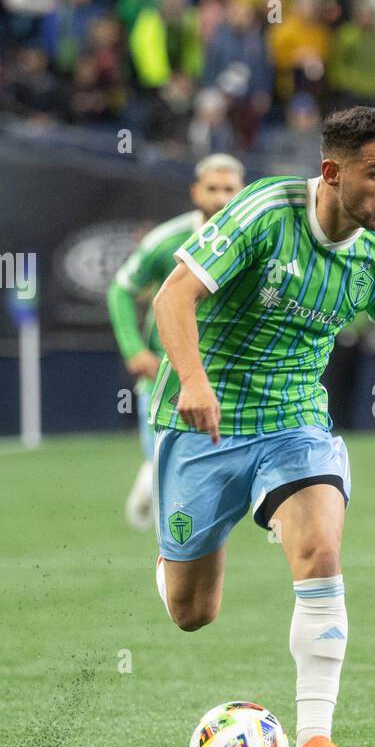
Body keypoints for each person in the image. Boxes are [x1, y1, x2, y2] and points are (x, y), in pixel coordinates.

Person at [149, 107, 375, 747]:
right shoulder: (264, 211)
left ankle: (312, 744)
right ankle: (171, 551)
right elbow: (172, 297)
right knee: (192, 612)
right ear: (332, 172)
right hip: (203, 423)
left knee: (321, 549)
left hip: (296, 423)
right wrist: (193, 379)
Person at [107, 153, 245, 531]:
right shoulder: (167, 240)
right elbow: (121, 289)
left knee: (210, 476)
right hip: (167, 374)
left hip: (229, 375)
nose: (220, 198)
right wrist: (134, 348)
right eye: (212, 188)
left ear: (243, 192)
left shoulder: (256, 242)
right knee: (170, 474)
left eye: (229, 189)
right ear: (195, 191)